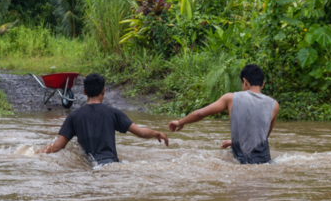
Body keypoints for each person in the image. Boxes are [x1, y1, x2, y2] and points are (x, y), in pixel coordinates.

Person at [37, 73, 168, 164]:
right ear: (103, 91)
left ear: (84, 92)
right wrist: (158, 133)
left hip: (92, 166)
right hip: (113, 165)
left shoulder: (74, 116)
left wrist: (34, 153)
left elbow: (56, 147)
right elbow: (142, 132)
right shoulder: (113, 112)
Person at [167, 64, 279, 164]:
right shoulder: (274, 105)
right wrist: (235, 142)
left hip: (241, 162)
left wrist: (180, 122)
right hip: (265, 162)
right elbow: (261, 137)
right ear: (263, 84)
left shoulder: (231, 98)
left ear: (245, 81)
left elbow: (201, 113)